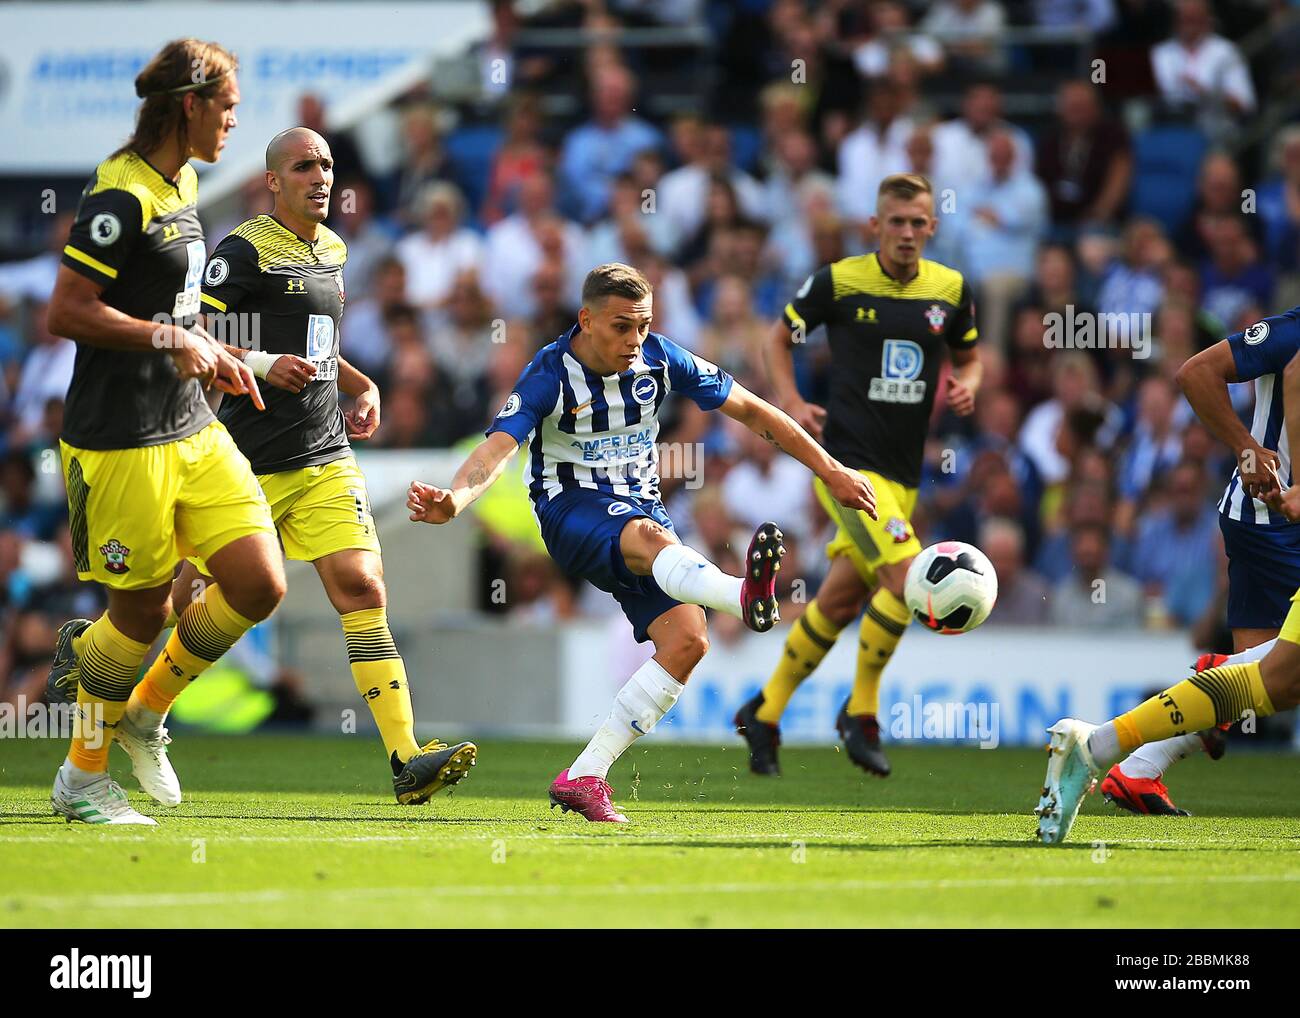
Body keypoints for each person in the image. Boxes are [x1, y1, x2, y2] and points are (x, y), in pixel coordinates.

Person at [406, 262, 876, 823]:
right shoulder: (550, 374)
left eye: (643, 326)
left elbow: (753, 410)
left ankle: (585, 774)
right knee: (651, 539)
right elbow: (498, 449)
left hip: (640, 510)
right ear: (586, 319)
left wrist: (830, 470)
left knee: (687, 642)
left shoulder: (660, 357)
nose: (634, 340)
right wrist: (455, 500)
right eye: (621, 327)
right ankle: (742, 597)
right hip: (571, 511)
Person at [151, 127, 471, 807]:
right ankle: (133, 703)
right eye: (304, 167)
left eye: (326, 165)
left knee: (360, 583)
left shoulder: (333, 248)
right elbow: (191, 331)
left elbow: (318, 341)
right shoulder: (240, 251)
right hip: (247, 460)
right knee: (182, 602)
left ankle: (405, 756)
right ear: (273, 181)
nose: (320, 176)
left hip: (325, 452)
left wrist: (362, 384)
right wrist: (264, 365)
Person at [44, 39, 285, 826]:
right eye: (229, 110)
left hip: (191, 426)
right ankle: (82, 779)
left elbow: (170, 310)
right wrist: (171, 341)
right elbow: (67, 311)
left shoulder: (178, 179)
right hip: (119, 439)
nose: (234, 125)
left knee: (258, 583)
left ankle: (144, 711)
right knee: (141, 614)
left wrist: (209, 350)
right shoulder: (120, 196)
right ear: (191, 104)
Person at [735, 173, 982, 778]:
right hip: (845, 465)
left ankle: (763, 714)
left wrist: (968, 384)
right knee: (908, 578)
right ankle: (861, 715)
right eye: (894, 222)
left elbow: (971, 354)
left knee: (841, 600)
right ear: (875, 226)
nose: (905, 233)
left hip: (903, 474)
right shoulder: (839, 281)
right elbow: (778, 338)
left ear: (932, 227)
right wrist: (791, 400)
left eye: (916, 222)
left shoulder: (949, 290)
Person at [1099, 306, 1300, 814]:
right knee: (1280, 675)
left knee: (1264, 688)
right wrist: (1248, 449)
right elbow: (1195, 372)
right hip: (1273, 516)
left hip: (1271, 518)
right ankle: (1118, 745)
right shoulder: (1292, 332)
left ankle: (1139, 769)